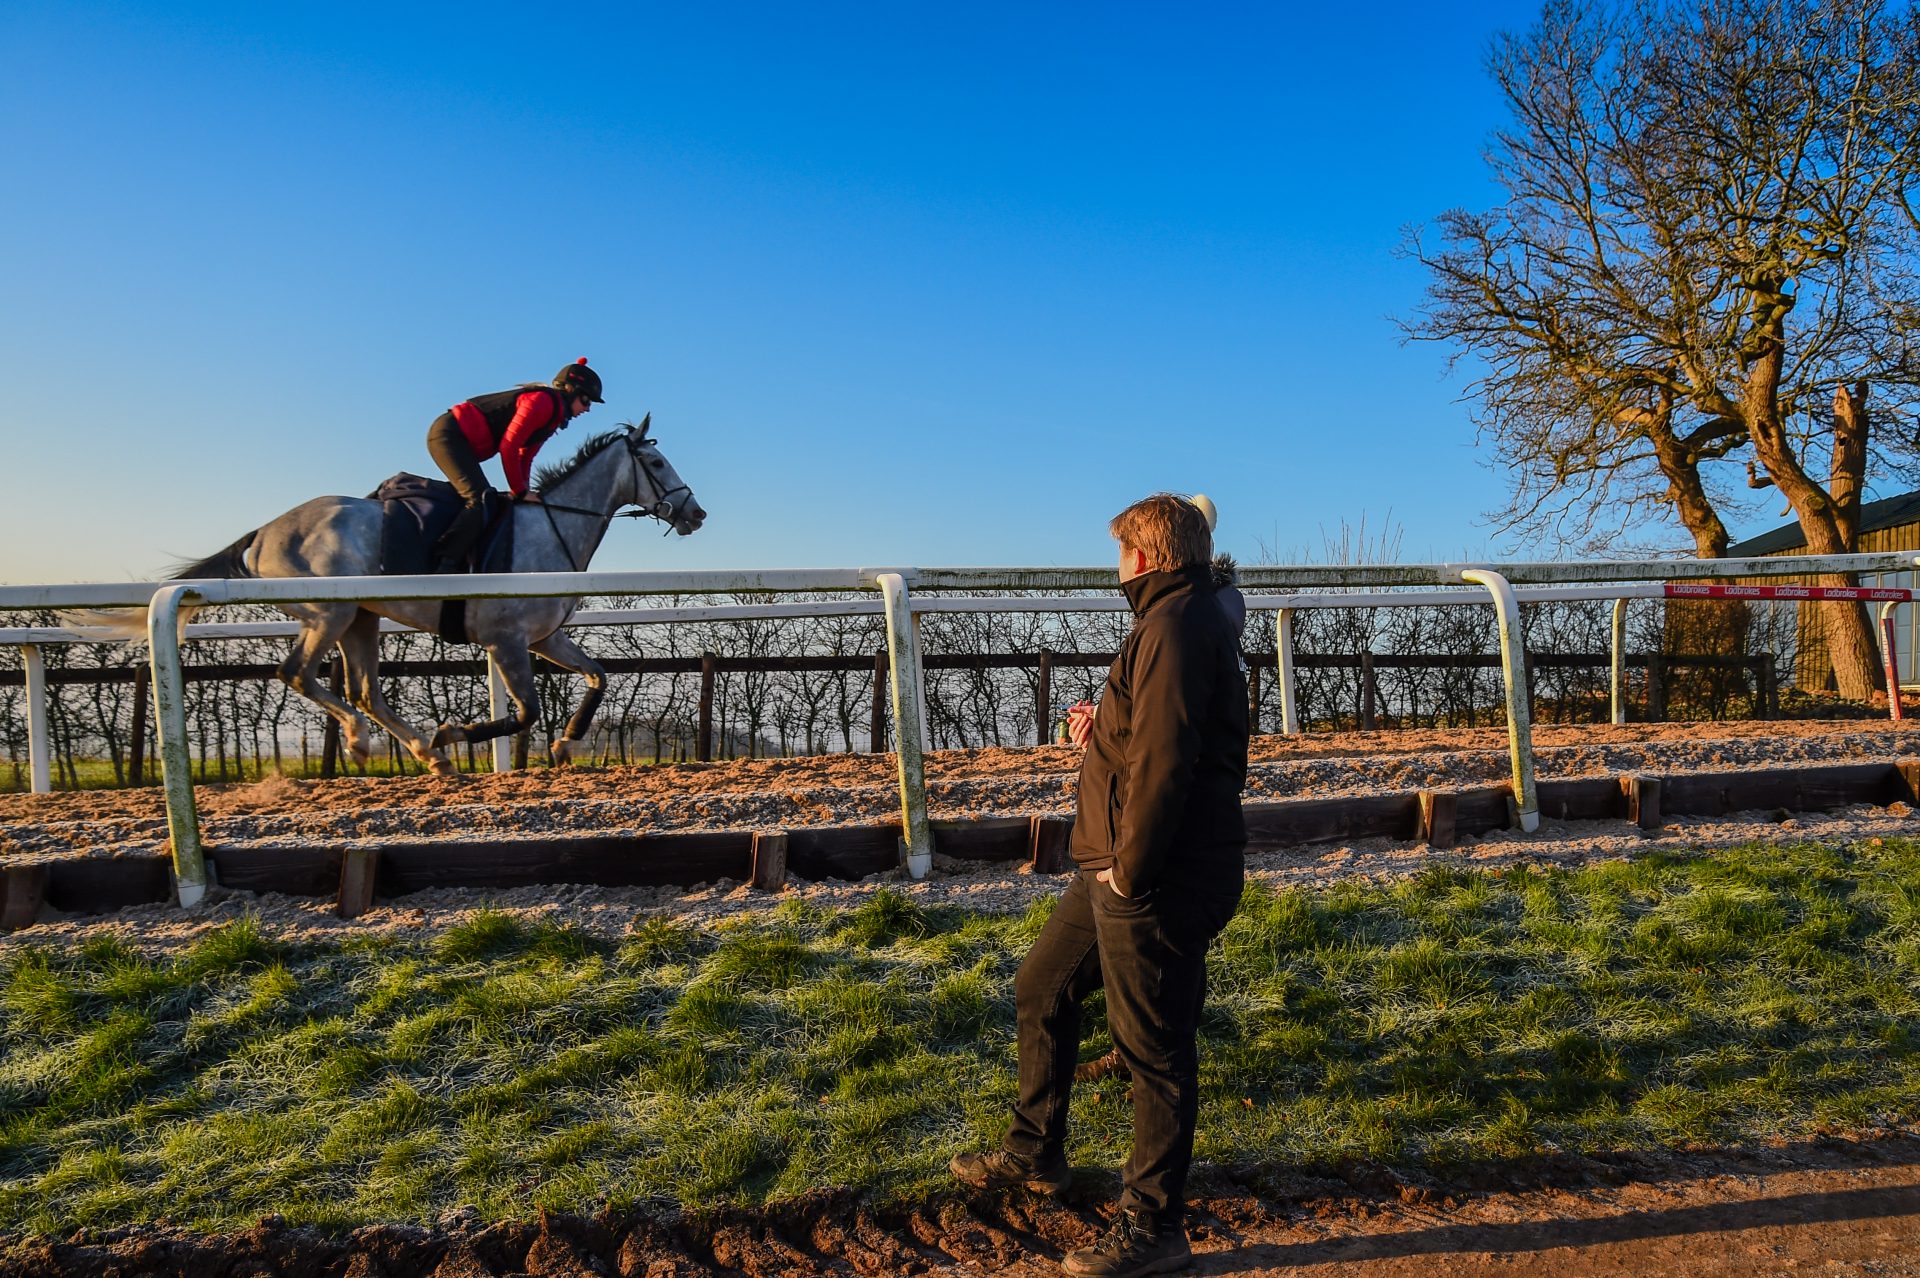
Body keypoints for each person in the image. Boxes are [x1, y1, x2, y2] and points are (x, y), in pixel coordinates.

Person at [951, 493, 1250, 1278]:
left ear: (1145, 556)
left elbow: (1166, 763)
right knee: (1041, 989)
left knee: (1152, 1050)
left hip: (1149, 874)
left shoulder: (1178, 628)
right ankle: (1033, 1153)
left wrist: (1130, 869)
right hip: (1109, 863)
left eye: (1120, 552)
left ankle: (1154, 1228)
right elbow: (1145, 735)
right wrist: (1103, 723)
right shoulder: (1170, 621)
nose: (1114, 567)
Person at [425, 358, 604, 571]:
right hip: (449, 435)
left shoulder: (553, 417)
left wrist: (524, 492)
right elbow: (509, 446)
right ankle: (443, 564)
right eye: (586, 401)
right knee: (480, 500)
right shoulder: (542, 402)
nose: (587, 409)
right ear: (569, 390)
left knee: (487, 499)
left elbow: (524, 457)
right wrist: (519, 491)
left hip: (463, 442)